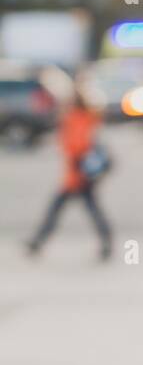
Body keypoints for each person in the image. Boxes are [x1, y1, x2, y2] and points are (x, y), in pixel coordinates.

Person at [25, 84, 112, 261]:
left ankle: (38, 241)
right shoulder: (82, 118)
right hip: (77, 175)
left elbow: (78, 147)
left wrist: (78, 173)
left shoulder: (76, 119)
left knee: (63, 209)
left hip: (78, 175)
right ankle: (38, 241)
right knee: (84, 209)